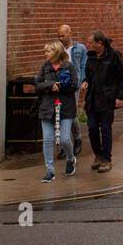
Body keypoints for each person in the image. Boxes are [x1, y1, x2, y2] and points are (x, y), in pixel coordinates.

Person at [80, 31, 123, 173]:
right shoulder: (90, 58)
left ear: (99, 43)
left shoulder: (113, 56)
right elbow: (88, 76)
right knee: (92, 129)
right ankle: (98, 156)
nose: (87, 45)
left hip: (107, 100)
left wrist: (120, 96)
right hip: (92, 100)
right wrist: (85, 82)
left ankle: (107, 160)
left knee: (106, 130)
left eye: (90, 43)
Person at [35, 40, 78, 183]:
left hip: (65, 107)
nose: (45, 53)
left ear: (57, 52)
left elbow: (74, 85)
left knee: (65, 139)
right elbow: (37, 85)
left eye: (48, 51)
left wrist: (61, 86)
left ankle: (71, 158)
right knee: (47, 140)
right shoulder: (44, 67)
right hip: (47, 107)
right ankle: (50, 171)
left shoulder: (69, 67)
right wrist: (50, 85)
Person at [58, 24, 86, 155]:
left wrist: (84, 81)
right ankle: (65, 144)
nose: (60, 38)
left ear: (69, 33)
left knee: (71, 113)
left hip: (74, 85)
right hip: (60, 84)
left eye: (63, 35)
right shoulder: (57, 49)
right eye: (59, 36)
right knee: (61, 113)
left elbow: (83, 66)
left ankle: (77, 139)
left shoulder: (80, 48)